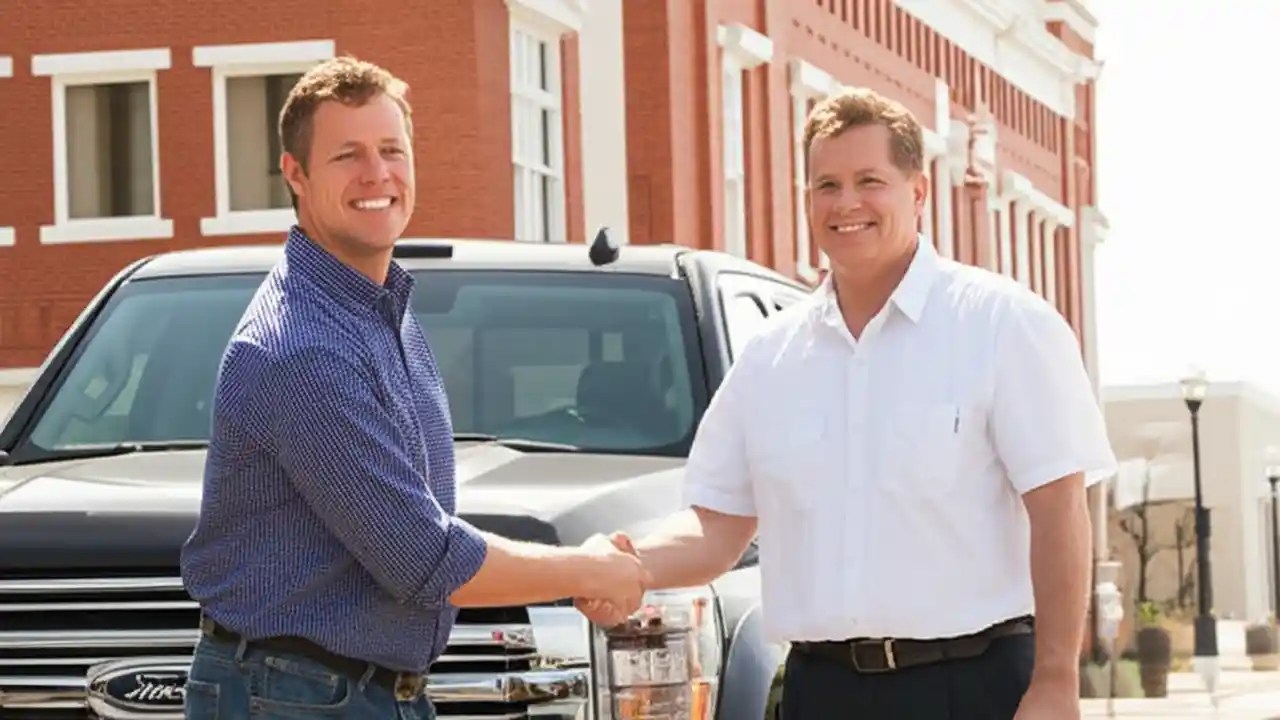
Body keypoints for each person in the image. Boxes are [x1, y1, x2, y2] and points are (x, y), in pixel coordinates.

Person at [579, 86, 1116, 719]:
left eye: (870, 180)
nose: (847, 203)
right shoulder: (769, 357)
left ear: (918, 193)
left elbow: (1058, 510)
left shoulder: (1003, 324)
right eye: (826, 185)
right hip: (821, 691)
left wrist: (1056, 681)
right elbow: (717, 527)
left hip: (974, 688)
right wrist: (622, 565)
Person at [179, 56, 648, 720]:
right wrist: (587, 570)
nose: (378, 174)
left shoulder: (379, 313)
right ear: (296, 174)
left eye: (391, 150)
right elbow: (424, 559)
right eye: (348, 155)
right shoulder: (300, 349)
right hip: (291, 698)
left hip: (352, 692)